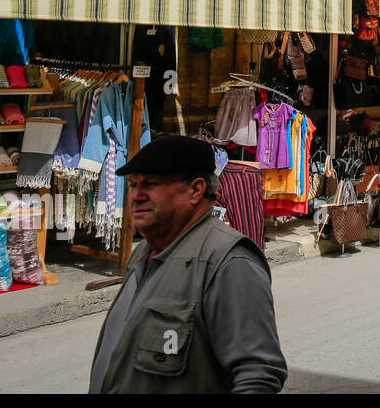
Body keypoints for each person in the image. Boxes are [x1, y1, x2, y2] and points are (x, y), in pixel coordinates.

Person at [89, 135, 287, 393]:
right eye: (133, 185)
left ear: (195, 190)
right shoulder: (144, 253)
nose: (136, 196)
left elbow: (258, 375)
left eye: (150, 184)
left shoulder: (227, 260)